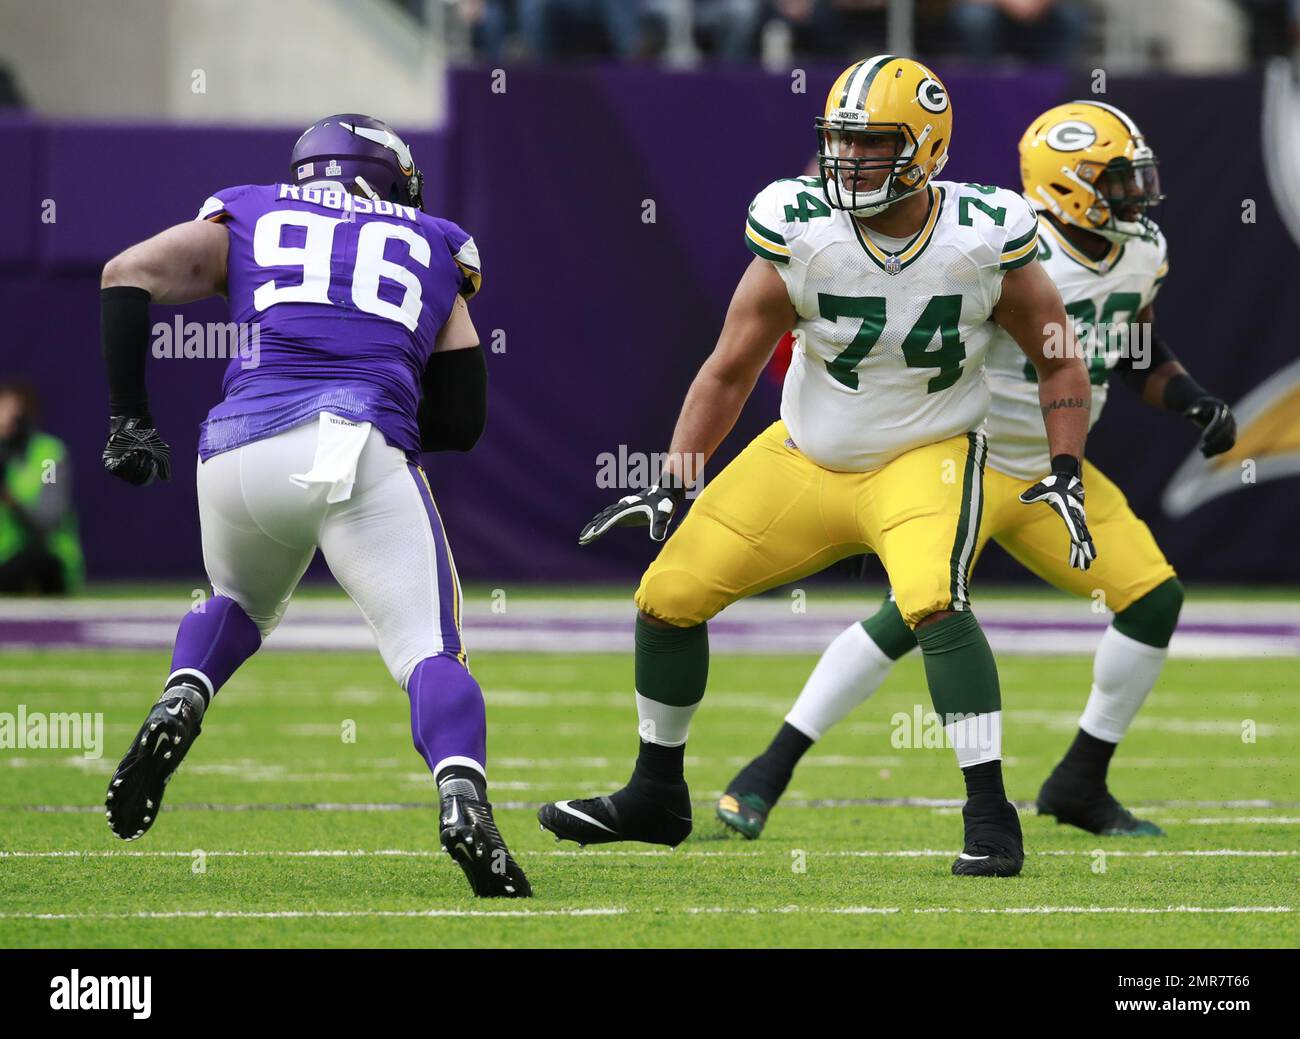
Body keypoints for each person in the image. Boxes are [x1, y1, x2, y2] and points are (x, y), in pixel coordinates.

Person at [539, 56, 1094, 878]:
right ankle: (657, 792)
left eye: (872, 144)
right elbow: (730, 366)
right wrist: (673, 478)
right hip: (802, 454)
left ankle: (990, 813)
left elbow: (1058, 357)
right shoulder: (801, 225)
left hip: (925, 453)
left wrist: (1066, 467)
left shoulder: (983, 234)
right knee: (666, 597)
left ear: (928, 146)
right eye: (841, 142)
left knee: (935, 601)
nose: (850, 161)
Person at [717, 101, 1238, 842]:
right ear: (1065, 185)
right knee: (911, 617)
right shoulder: (1006, 248)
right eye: (1115, 180)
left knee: (1152, 598)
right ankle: (769, 767)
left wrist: (1191, 398)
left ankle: (1080, 780)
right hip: (973, 456)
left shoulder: (1143, 249)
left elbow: (1133, 347)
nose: (1135, 195)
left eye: (1134, 179)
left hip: (1058, 472)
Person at [99, 114, 530, 898]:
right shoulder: (437, 238)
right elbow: (463, 421)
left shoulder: (248, 208)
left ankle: (182, 693)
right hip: (355, 437)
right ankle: (463, 798)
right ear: (390, 177)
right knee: (428, 650)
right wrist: (387, 427)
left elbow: (125, 272)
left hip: (233, 452)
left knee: (239, 601)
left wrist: (130, 418)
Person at [0, 380, 84, 594]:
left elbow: (48, 520)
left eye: (10, 414)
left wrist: (10, 498)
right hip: (4, 559)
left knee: (32, 563)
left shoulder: (48, 456)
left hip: (46, 560)